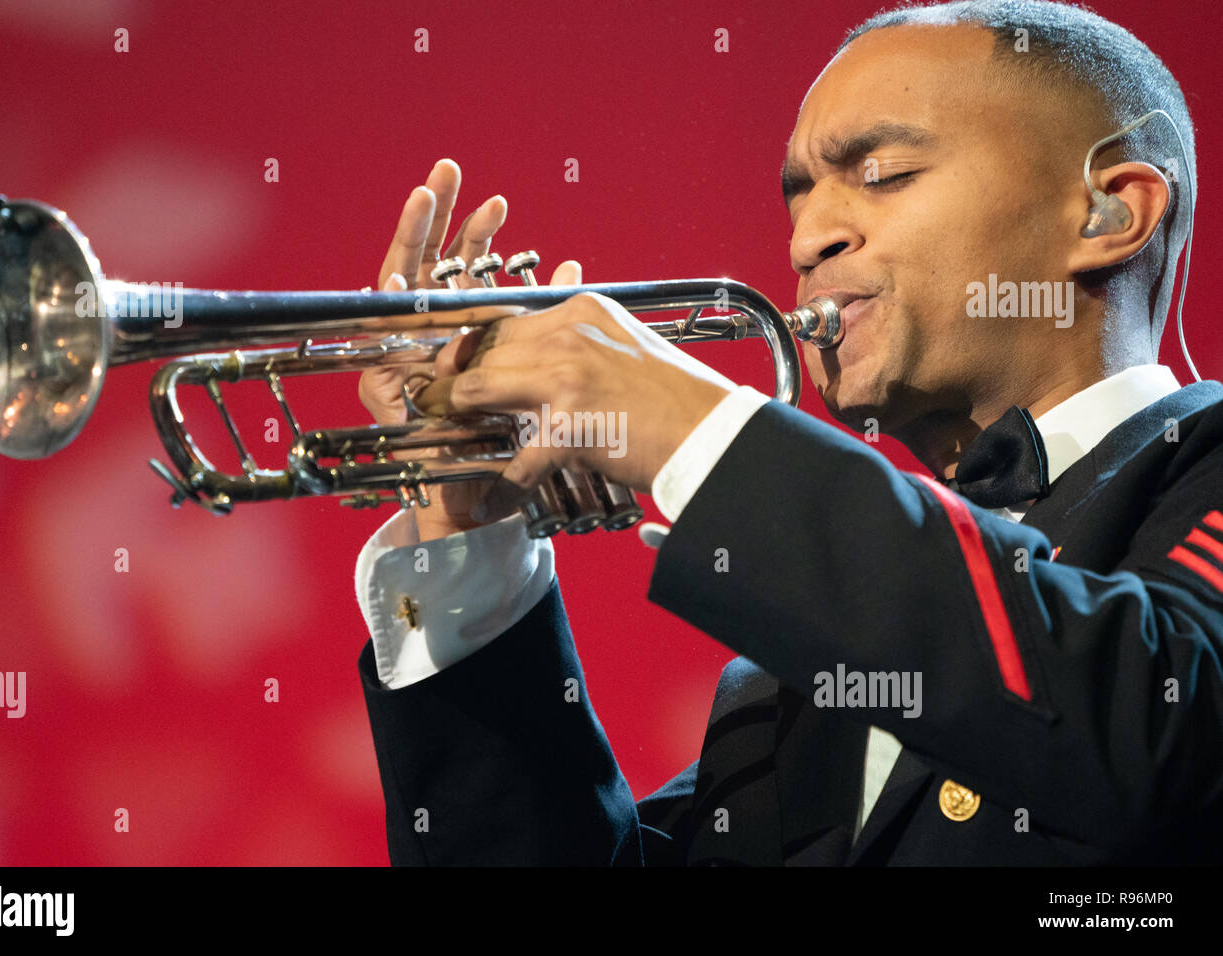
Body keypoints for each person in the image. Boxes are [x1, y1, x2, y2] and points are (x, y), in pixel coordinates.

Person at [354, 0, 1223, 865]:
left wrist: (690, 422)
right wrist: (462, 545)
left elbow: (1162, 727)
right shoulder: (785, 686)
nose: (807, 239)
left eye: (881, 174)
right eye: (799, 195)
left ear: (1111, 213)